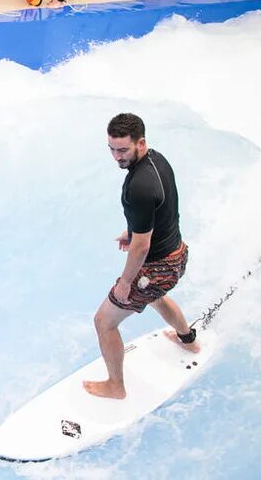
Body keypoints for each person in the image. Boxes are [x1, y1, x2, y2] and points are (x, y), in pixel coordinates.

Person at [84, 113, 200, 400]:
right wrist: (133, 229)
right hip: (177, 254)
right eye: (111, 148)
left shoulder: (140, 187)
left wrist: (126, 282)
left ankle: (115, 386)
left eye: (122, 150)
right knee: (157, 296)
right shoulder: (157, 160)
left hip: (157, 267)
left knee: (104, 322)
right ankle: (188, 341)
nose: (116, 156)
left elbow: (142, 248)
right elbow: (162, 209)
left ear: (141, 143)